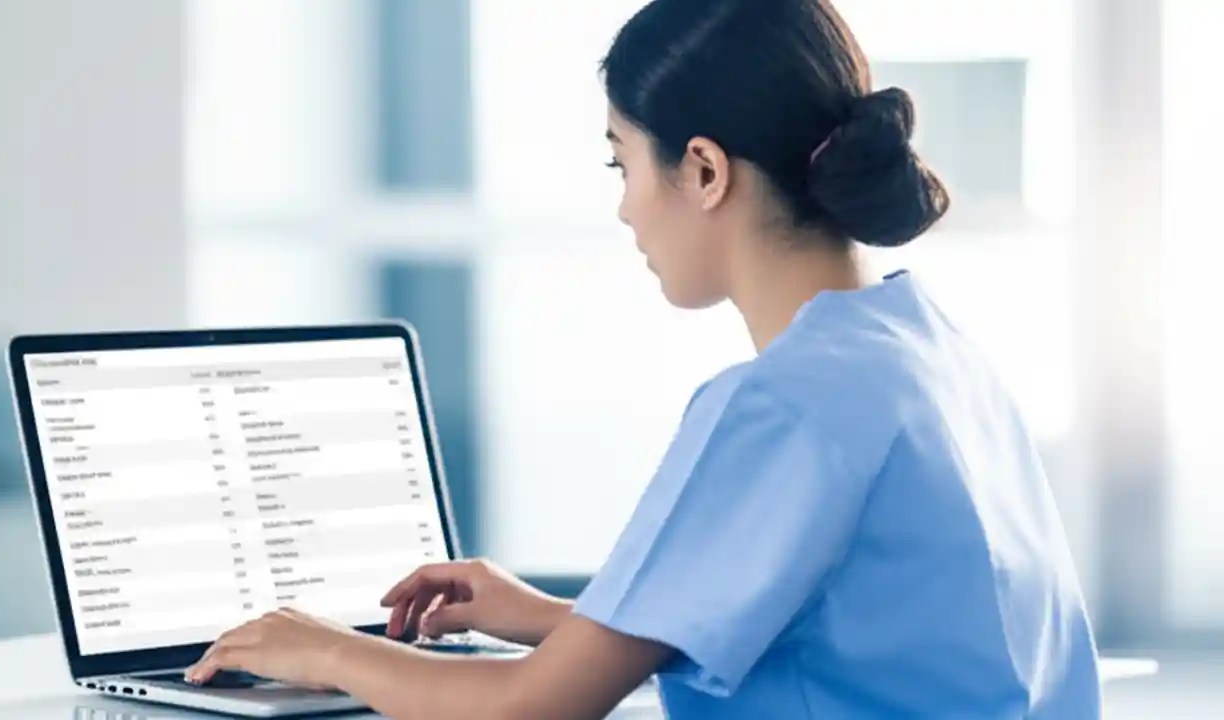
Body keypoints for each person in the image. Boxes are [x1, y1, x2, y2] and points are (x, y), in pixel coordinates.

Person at [185, 0, 1101, 717]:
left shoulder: (781, 405)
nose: (625, 209)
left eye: (620, 164)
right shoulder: (927, 352)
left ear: (704, 171)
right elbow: (836, 631)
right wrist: (553, 616)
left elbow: (530, 710)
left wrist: (322, 646)